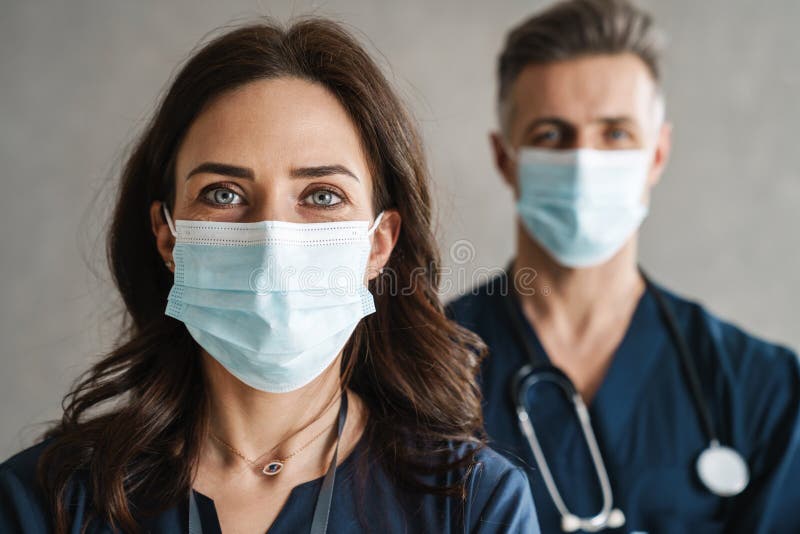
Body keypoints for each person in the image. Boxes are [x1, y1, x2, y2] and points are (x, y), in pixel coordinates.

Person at [0, 19, 539, 533]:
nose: (271, 243)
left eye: (321, 196)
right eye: (224, 194)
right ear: (168, 236)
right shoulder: (47, 502)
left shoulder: (474, 505)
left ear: (378, 244)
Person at [447, 1, 800, 533]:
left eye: (615, 134)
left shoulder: (758, 387)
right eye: (551, 135)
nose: (585, 162)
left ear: (657, 154)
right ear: (504, 159)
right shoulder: (424, 370)